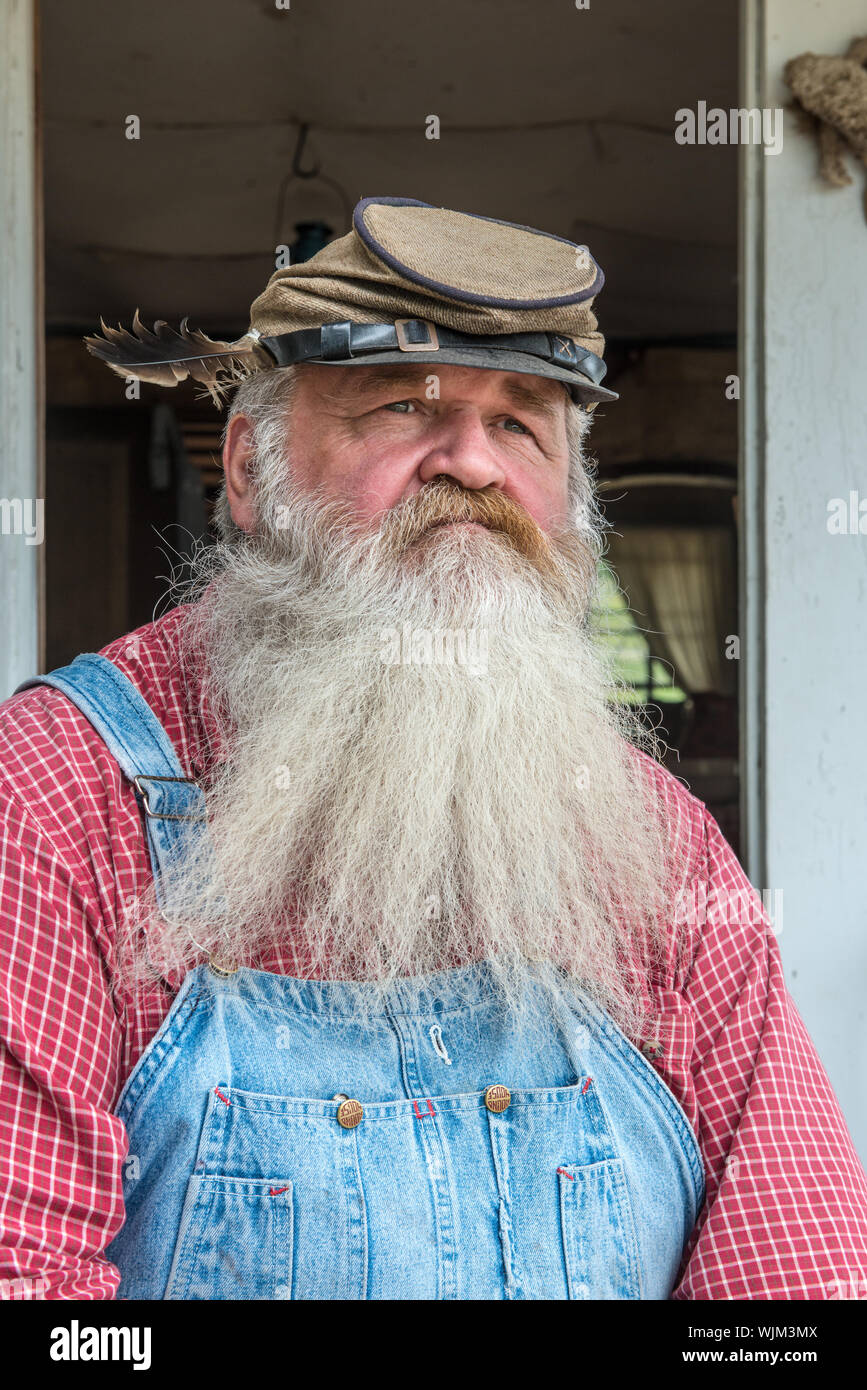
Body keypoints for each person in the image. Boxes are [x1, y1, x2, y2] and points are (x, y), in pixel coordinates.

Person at [1, 196, 865, 1300]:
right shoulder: (61, 796)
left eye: (521, 422)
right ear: (254, 473)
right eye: (403, 407)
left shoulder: (658, 847)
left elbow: (795, 1284)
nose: (473, 462)